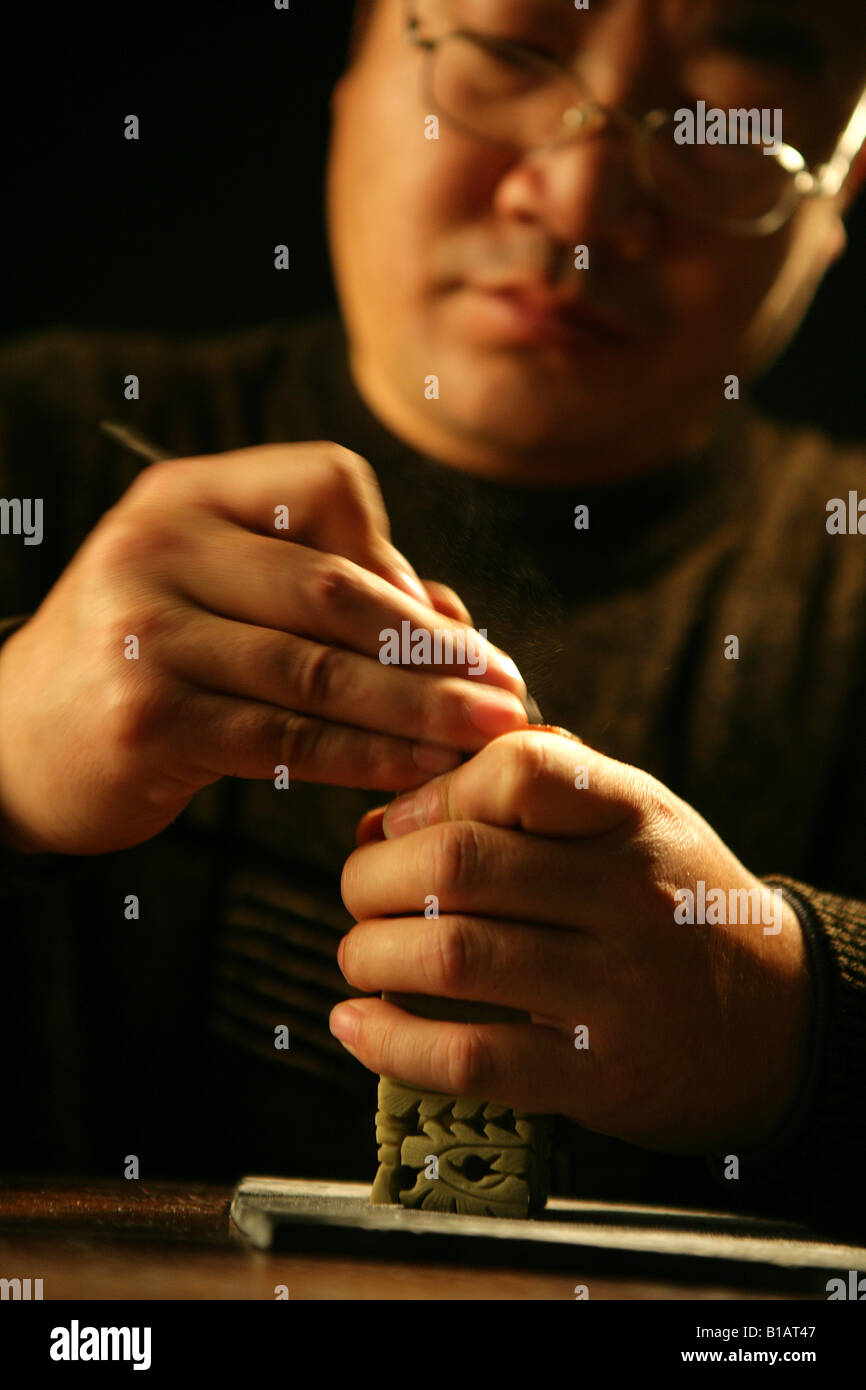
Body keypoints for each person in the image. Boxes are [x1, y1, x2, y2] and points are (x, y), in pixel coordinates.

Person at [1, 0, 865, 1240]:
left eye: (723, 117)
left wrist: (785, 1017)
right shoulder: (32, 444)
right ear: (353, 62)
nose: (577, 201)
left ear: (836, 198)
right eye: (511, 49)